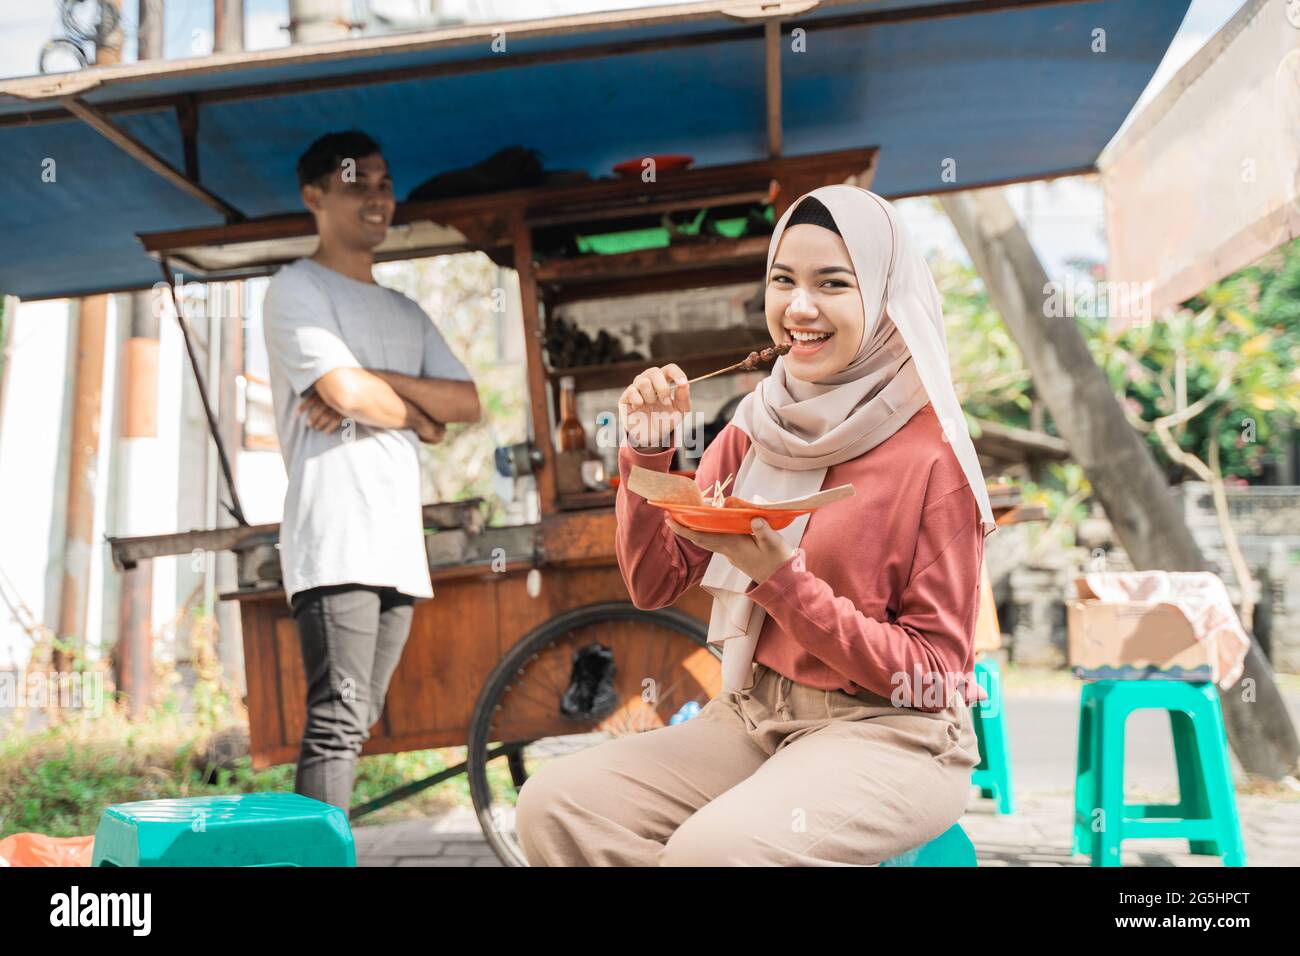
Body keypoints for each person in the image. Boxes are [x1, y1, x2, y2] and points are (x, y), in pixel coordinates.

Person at [514, 186, 997, 866]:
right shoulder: (756, 425)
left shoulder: (930, 455)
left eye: (833, 283)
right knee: (556, 804)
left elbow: (935, 676)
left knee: (713, 852)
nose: (799, 308)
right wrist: (650, 452)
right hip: (754, 715)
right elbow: (653, 584)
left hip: (893, 734)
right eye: (783, 281)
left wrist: (780, 582)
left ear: (885, 297)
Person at [262, 130, 482, 811]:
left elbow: (466, 402)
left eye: (385, 184)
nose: (377, 197)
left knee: (355, 723)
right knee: (335, 723)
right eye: (357, 182)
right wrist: (417, 414)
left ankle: (312, 856)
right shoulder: (294, 288)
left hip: (393, 543)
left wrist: (377, 383)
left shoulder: (403, 311)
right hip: (334, 538)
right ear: (314, 196)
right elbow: (345, 396)